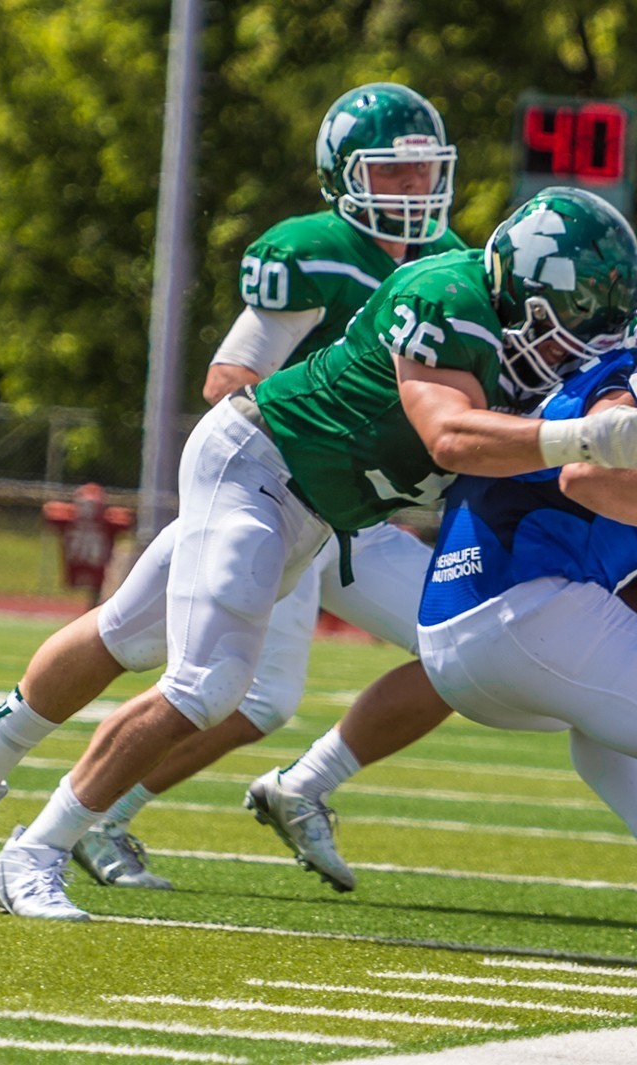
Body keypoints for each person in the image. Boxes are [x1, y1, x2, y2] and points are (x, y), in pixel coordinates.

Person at [0, 184, 637, 919]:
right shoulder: (443, 296)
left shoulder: (521, 336)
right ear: (517, 293)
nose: (566, 354)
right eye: (560, 328)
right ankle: (35, 852)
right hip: (259, 461)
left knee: (128, 634)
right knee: (211, 683)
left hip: (314, 506)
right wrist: (581, 436)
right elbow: (451, 437)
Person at [250, 250, 637, 983]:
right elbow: (591, 474)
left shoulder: (615, 373)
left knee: (606, 710)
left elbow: (584, 502)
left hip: (457, 635)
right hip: (523, 607)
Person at [68, 81, 469, 889]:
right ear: (345, 175)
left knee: (465, 649)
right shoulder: (313, 251)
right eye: (391, 170)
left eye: (422, 168)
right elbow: (228, 380)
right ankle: (86, 814)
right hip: (286, 491)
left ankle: (302, 785)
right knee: (238, 691)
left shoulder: (448, 261)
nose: (412, 186)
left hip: (358, 517)